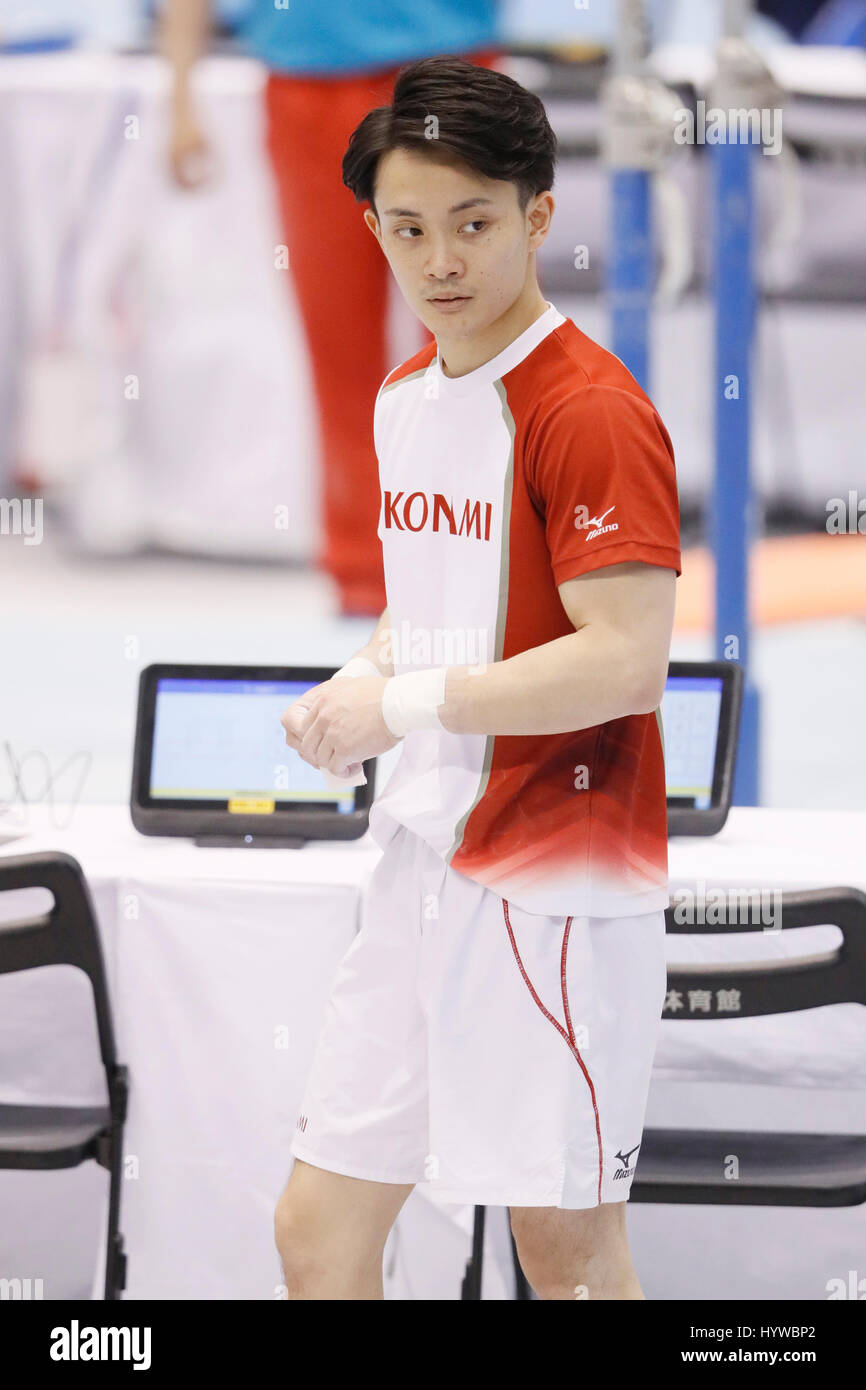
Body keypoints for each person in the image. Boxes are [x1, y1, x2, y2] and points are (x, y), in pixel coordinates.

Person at [276, 55, 682, 1301]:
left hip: (548, 875)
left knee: (557, 1247)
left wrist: (401, 705)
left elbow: (622, 662)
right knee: (317, 1228)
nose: (439, 260)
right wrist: (361, 678)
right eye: (408, 230)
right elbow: (433, 605)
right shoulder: (405, 395)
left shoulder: (589, 414)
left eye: (471, 224)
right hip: (417, 855)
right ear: (372, 229)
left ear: (537, 216)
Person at [161, 0, 501, 615]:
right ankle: (364, 576)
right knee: (338, 343)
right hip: (308, 85)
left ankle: (496, 550)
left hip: (448, 79)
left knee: (479, 339)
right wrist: (180, 94)